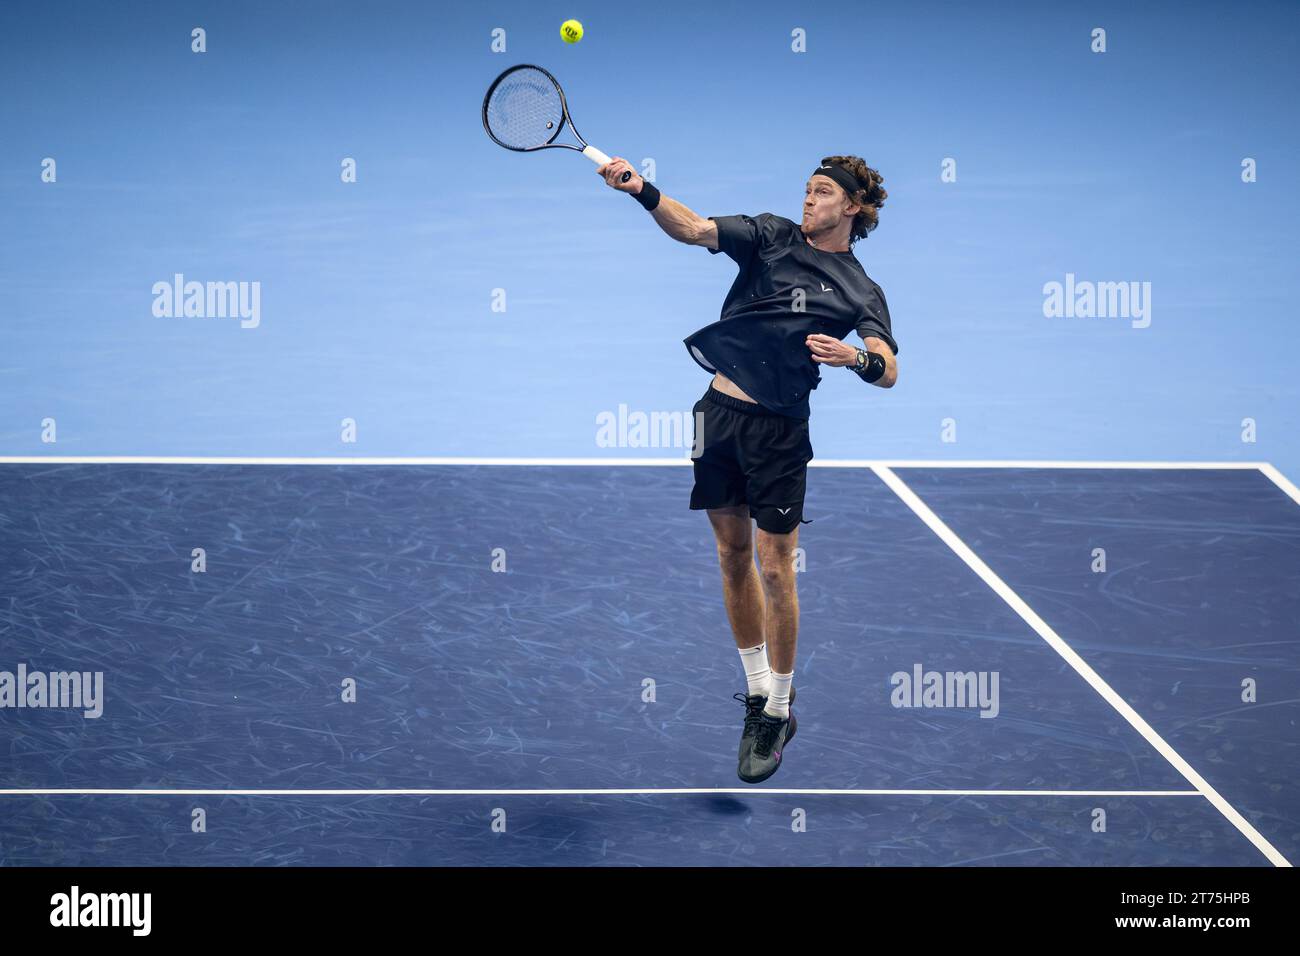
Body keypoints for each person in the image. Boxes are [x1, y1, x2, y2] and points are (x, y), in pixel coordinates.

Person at [597, 155, 899, 782]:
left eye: (822, 193)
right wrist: (641, 190)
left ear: (852, 207)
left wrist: (853, 358)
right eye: (808, 190)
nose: (809, 199)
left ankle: (781, 708)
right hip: (716, 416)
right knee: (733, 557)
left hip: (779, 435)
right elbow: (692, 228)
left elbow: (888, 367)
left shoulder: (860, 290)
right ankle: (758, 692)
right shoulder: (769, 235)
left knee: (775, 565)